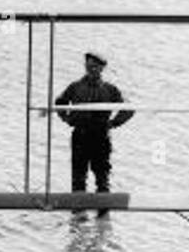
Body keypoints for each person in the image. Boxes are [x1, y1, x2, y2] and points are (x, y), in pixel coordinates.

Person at [55, 52, 133, 215]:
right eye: (88, 66)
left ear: (102, 69)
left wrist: (113, 124)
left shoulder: (110, 90)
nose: (91, 70)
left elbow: (129, 108)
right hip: (80, 135)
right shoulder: (75, 87)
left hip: (100, 137)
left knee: (102, 178)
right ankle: (78, 221)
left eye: (95, 67)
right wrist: (68, 119)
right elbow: (60, 102)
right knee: (78, 178)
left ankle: (103, 218)